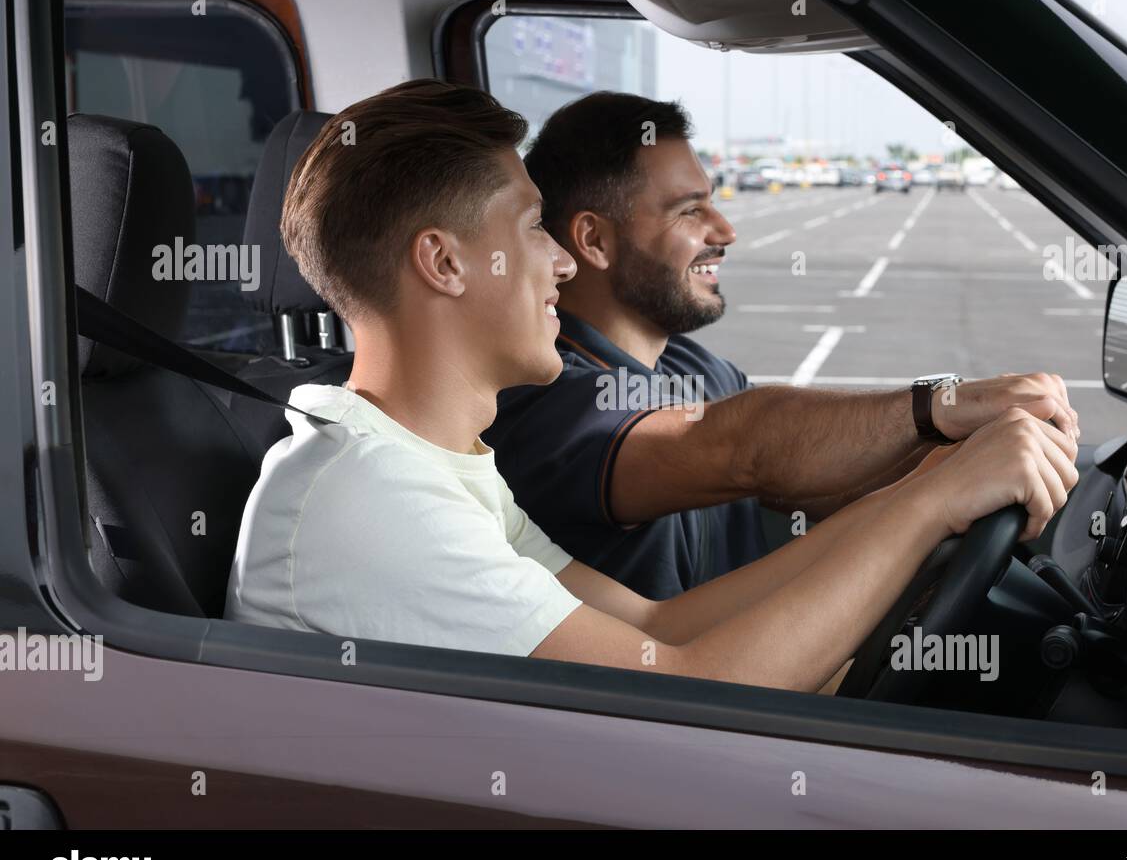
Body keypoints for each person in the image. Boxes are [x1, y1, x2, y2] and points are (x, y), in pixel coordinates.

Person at [225, 79, 1078, 695]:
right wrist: (930, 502)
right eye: (532, 228)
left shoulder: (433, 469)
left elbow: (660, 629)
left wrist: (929, 487)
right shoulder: (367, 499)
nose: (560, 259)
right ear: (444, 262)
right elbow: (693, 689)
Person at [484, 92, 1081, 600]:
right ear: (593, 239)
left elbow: (805, 479)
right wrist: (940, 404)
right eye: (690, 211)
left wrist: (964, 458)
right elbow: (738, 447)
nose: (725, 231)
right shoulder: (543, 398)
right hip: (664, 721)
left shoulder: (692, 366)